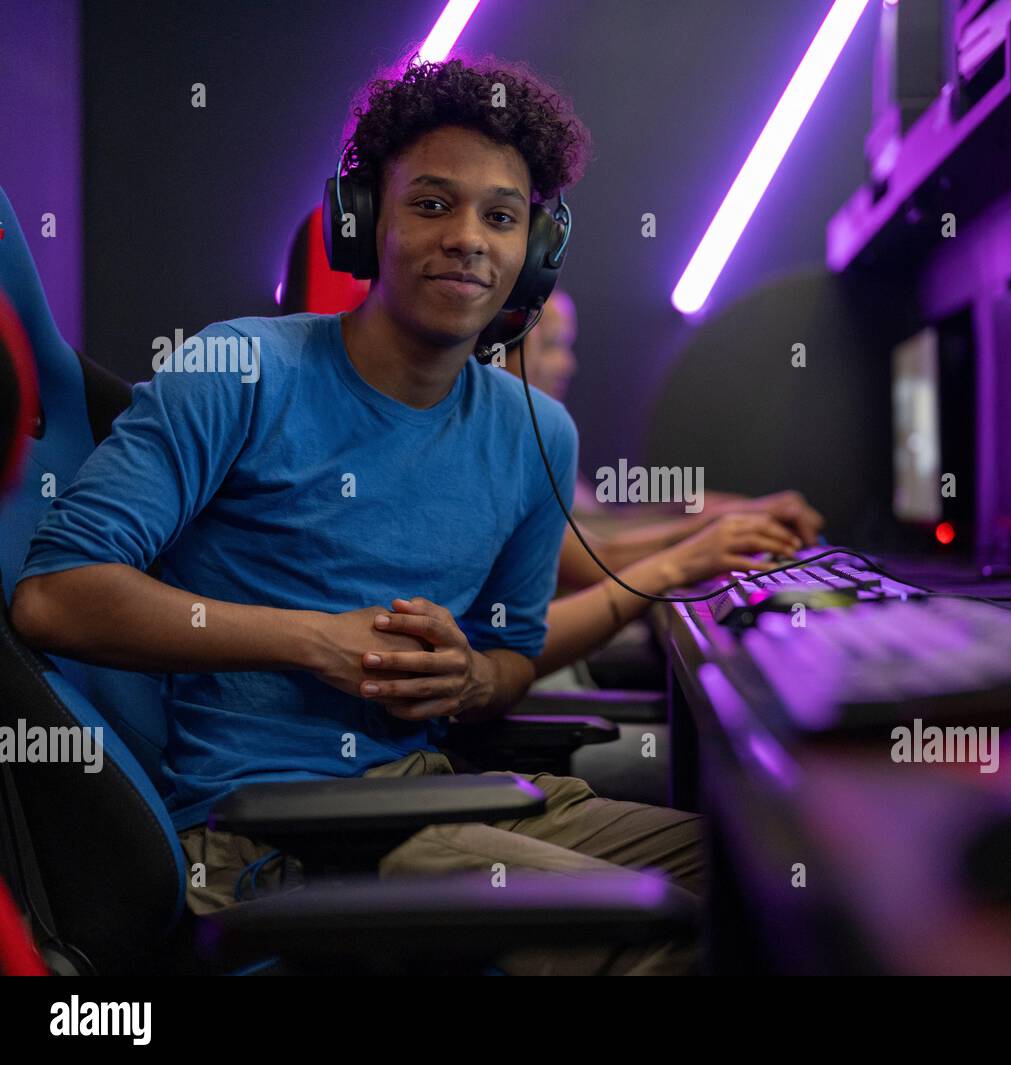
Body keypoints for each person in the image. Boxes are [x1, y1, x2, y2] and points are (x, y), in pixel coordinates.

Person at [12, 56, 703, 975]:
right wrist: (311, 640)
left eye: (500, 216)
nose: (467, 239)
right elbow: (54, 598)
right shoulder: (242, 370)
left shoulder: (540, 433)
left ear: (536, 252)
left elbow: (509, 656)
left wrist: (470, 678)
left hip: (443, 799)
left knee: (780, 876)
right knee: (642, 934)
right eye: (429, 204)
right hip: (270, 837)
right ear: (363, 221)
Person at [497, 291, 825, 680]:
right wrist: (695, 549)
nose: (566, 364)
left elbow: (598, 524)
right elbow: (601, 556)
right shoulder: (500, 445)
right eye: (550, 345)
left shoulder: (535, 434)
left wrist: (702, 510)